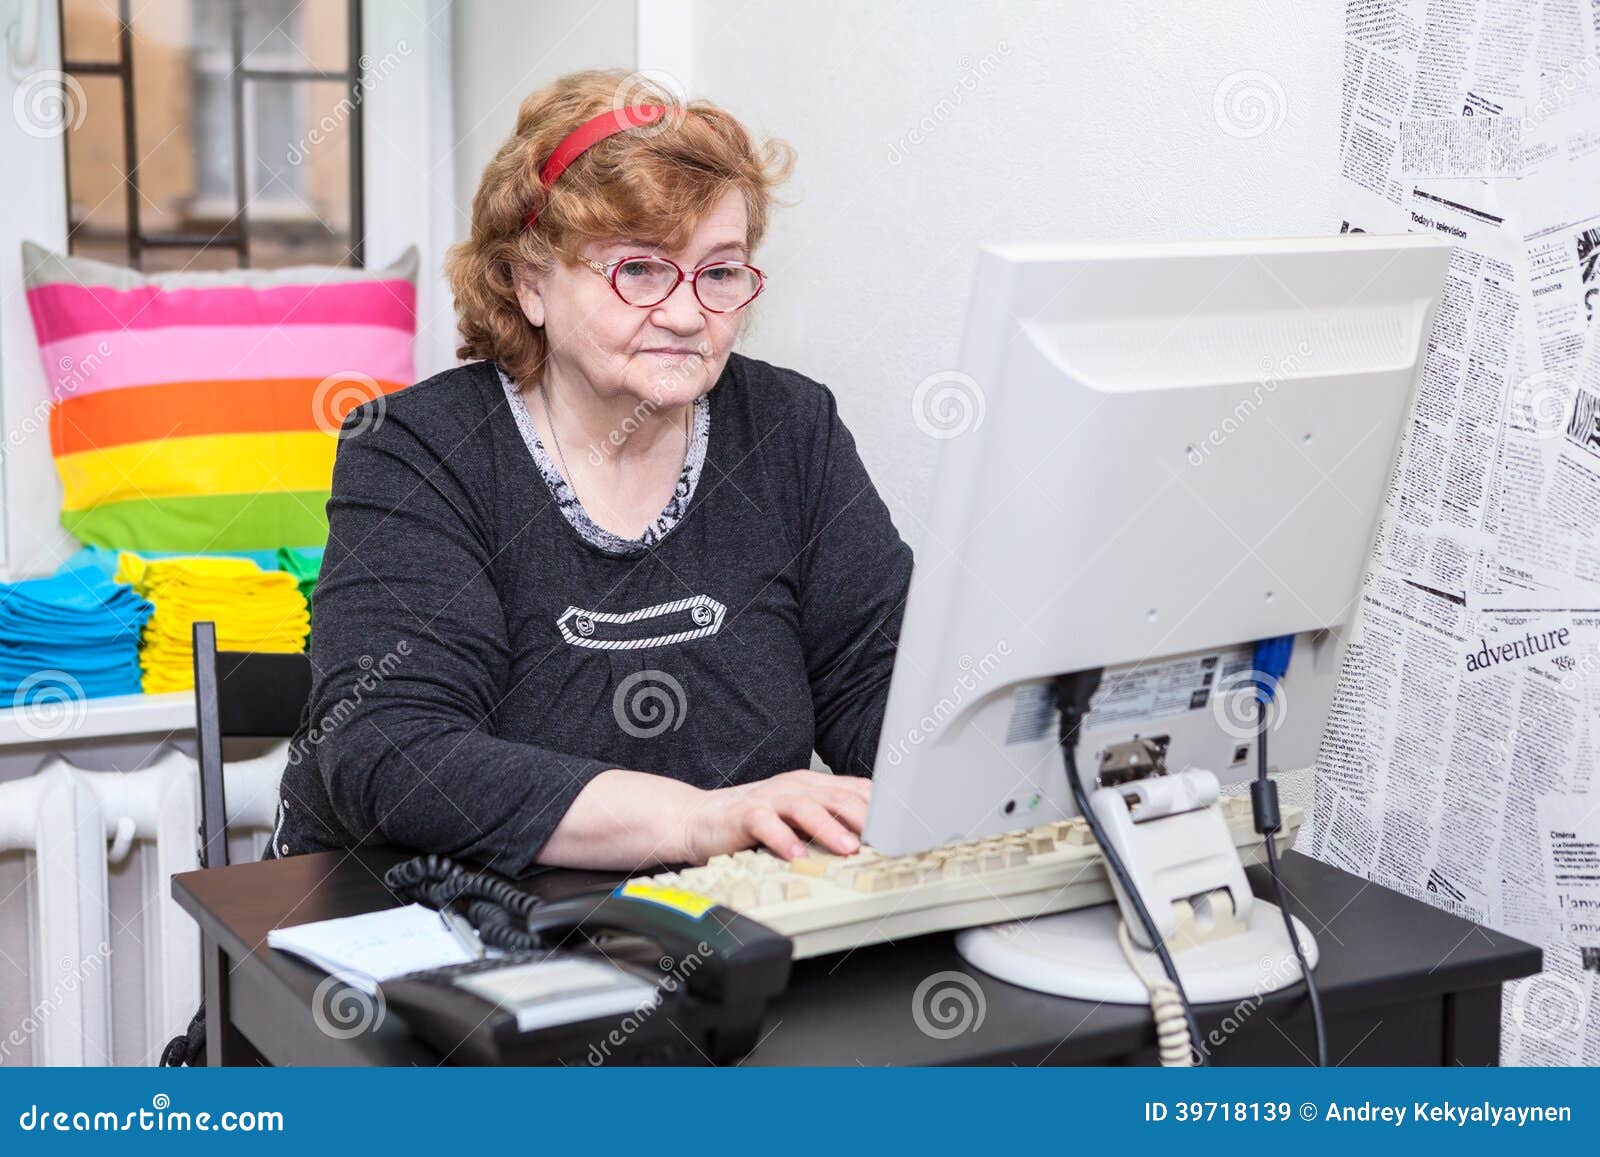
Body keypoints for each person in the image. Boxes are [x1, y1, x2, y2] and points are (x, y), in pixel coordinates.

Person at [272, 70, 913, 878]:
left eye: (718, 272)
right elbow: (397, 752)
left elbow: (881, 687)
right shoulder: (416, 449)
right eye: (639, 269)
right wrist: (701, 817)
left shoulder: (792, 430)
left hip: (709, 933)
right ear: (529, 280)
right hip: (420, 934)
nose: (686, 314)